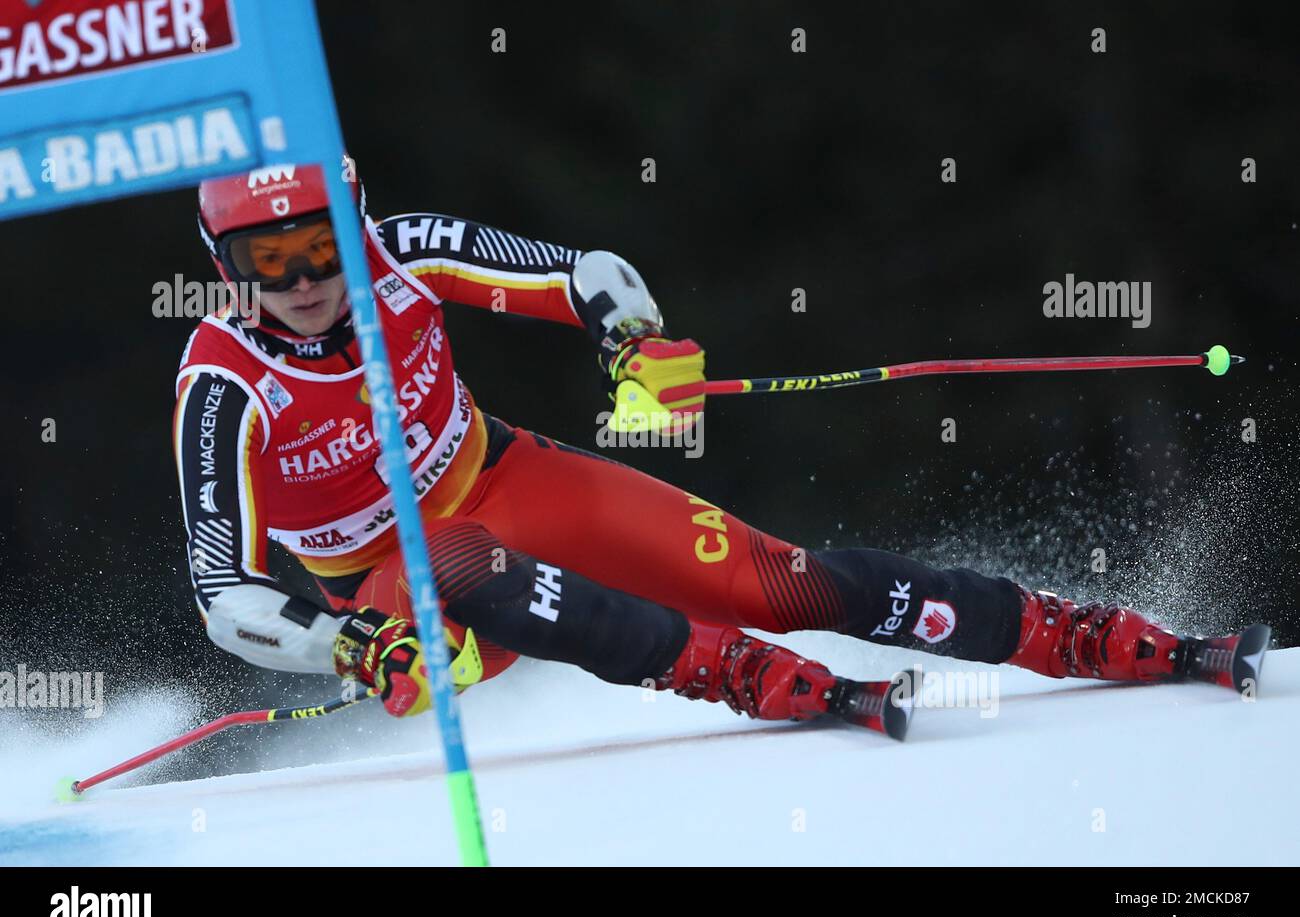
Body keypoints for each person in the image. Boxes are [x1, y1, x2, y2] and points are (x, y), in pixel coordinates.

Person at [174, 161, 1268, 741]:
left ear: (353, 222)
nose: (303, 278)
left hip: (513, 477)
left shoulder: (402, 253)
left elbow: (586, 273)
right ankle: (739, 675)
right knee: (453, 563)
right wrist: (351, 645)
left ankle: (1080, 634)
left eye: (318, 244)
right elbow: (223, 593)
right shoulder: (224, 385)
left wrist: (632, 342)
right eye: (267, 259)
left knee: (782, 581)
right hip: (397, 594)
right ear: (225, 263)